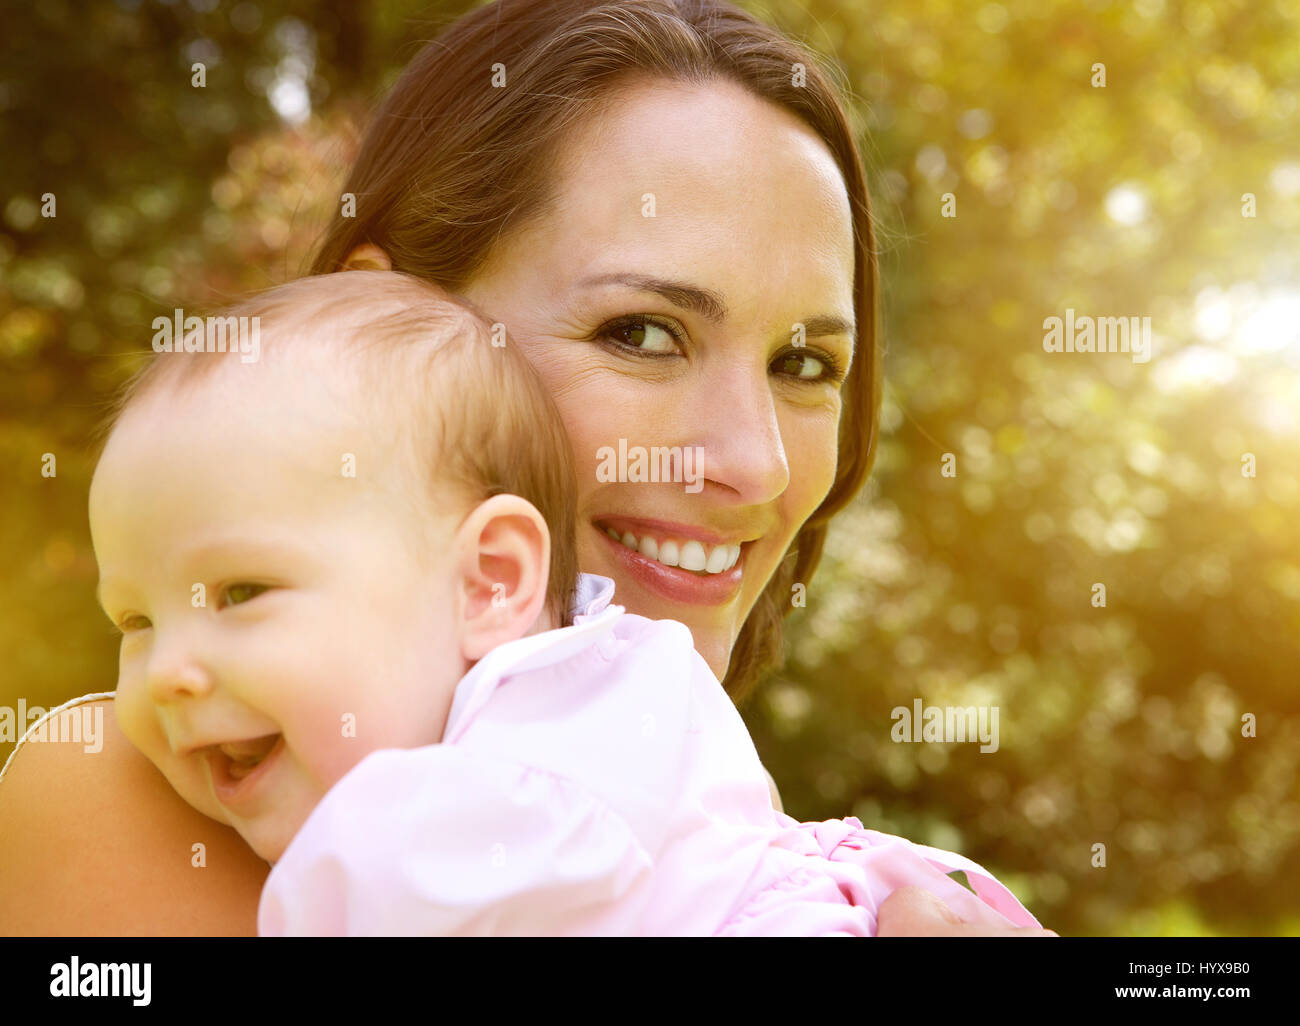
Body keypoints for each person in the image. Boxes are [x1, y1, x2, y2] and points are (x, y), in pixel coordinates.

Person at [0, 0, 1054, 936]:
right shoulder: (144, 799)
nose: (755, 461)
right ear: (388, 311)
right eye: (641, 333)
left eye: (805, 364)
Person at [83, 270, 1039, 935]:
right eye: (134, 621)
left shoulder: (521, 775)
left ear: (492, 580)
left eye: (243, 592)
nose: (167, 673)